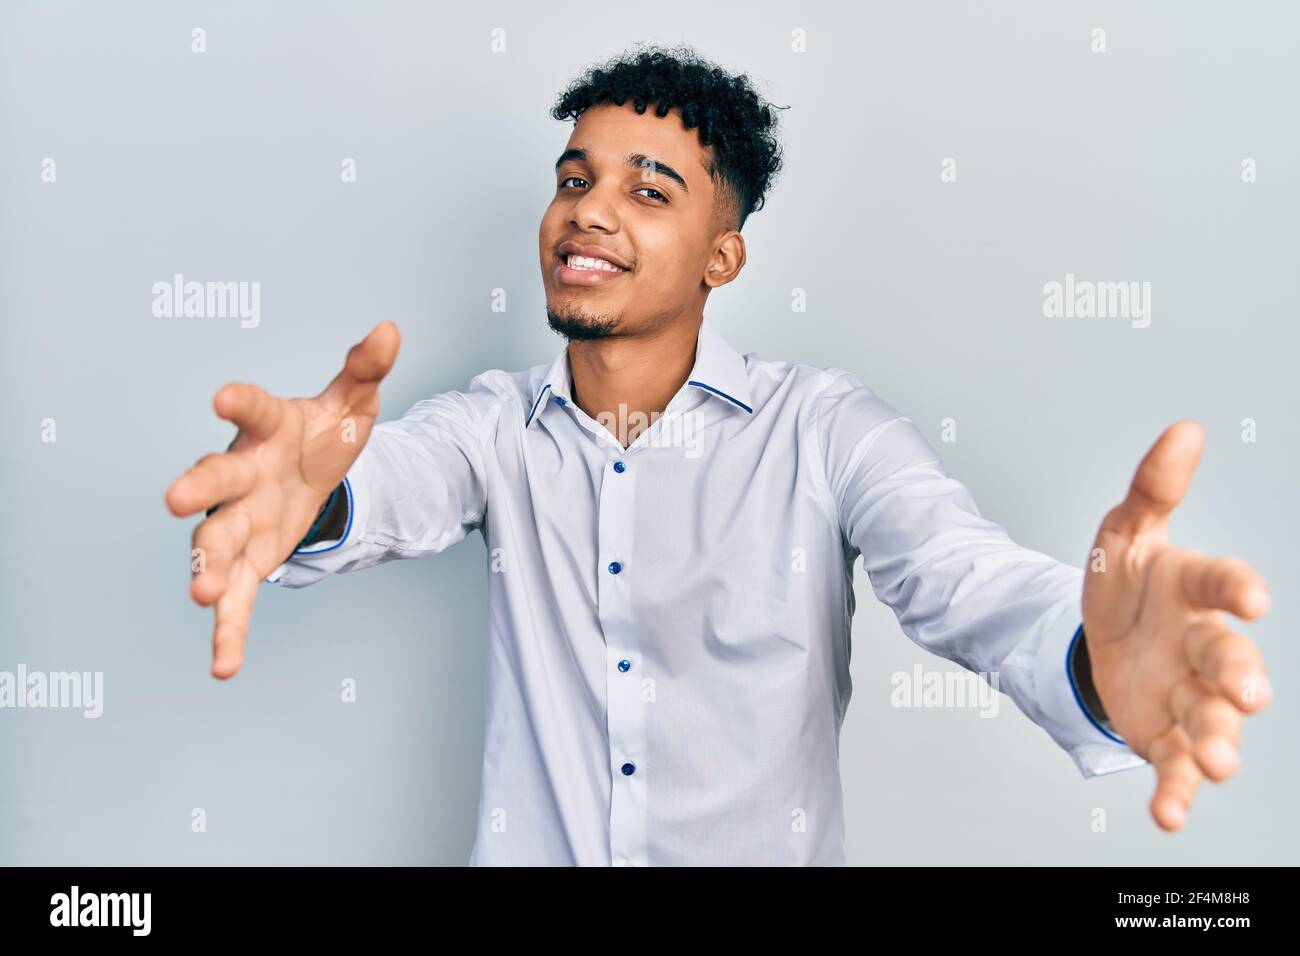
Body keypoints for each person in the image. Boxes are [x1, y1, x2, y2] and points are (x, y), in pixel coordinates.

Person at [164, 45, 1272, 866]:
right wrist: (304, 500)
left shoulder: (823, 432)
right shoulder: (495, 426)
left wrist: (1090, 660)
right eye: (573, 179)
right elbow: (389, 484)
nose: (590, 212)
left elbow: (964, 580)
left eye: (650, 191)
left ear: (722, 256)